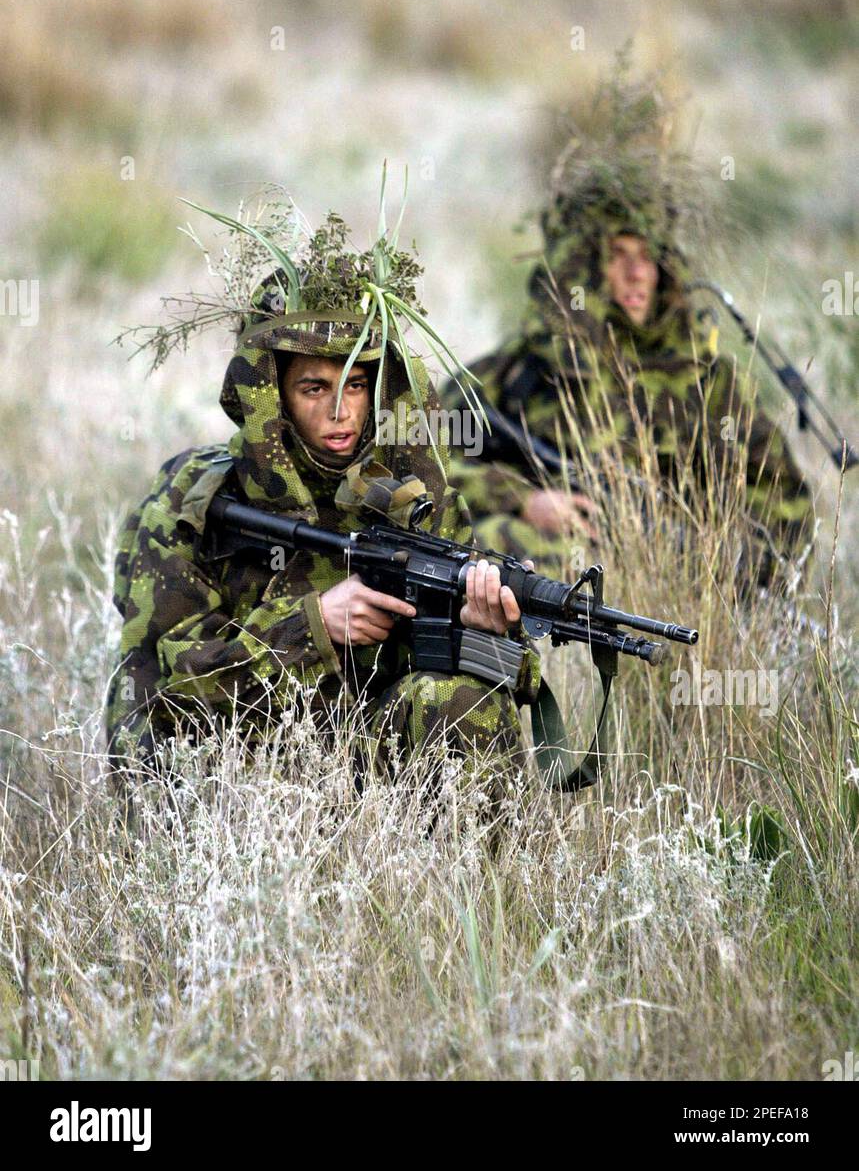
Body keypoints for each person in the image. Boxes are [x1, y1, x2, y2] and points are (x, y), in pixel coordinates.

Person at [105, 214, 542, 807]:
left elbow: (506, 679)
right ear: (273, 393)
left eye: (356, 386)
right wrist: (314, 629)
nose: (340, 411)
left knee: (465, 700)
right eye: (314, 388)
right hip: (239, 769)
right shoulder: (194, 505)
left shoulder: (412, 500)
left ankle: (467, 891)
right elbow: (172, 693)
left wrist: (493, 633)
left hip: (359, 755)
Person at [444, 154, 812, 580]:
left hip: (682, 577)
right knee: (498, 541)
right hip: (564, 567)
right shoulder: (522, 369)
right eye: (617, 254)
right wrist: (520, 499)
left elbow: (784, 502)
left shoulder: (711, 380)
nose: (637, 272)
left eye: (647, 255)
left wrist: (711, 551)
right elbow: (422, 457)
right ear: (583, 267)